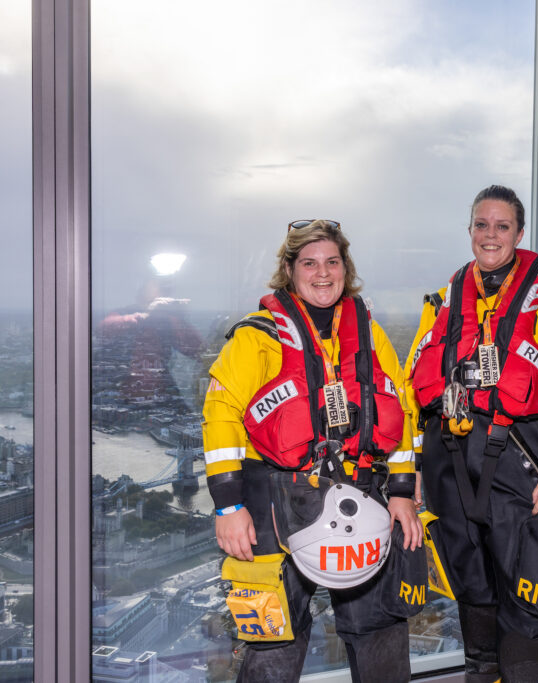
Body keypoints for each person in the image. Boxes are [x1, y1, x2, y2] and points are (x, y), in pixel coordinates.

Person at [202, 220, 424, 683]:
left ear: (345, 268)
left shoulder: (370, 335)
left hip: (361, 494)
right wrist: (229, 506)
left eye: (332, 262)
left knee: (379, 631)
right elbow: (220, 413)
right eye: (309, 263)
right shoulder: (256, 336)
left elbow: (400, 409)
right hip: (275, 502)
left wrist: (402, 490)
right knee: (273, 642)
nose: (322, 273)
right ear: (289, 269)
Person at [406, 186, 538, 683]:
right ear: (470, 230)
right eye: (481, 225)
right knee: (474, 594)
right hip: (452, 467)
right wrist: (413, 471)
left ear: (519, 233)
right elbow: (414, 385)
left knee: (533, 605)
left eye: (502, 226)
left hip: (521, 466)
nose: (490, 235)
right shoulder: (446, 299)